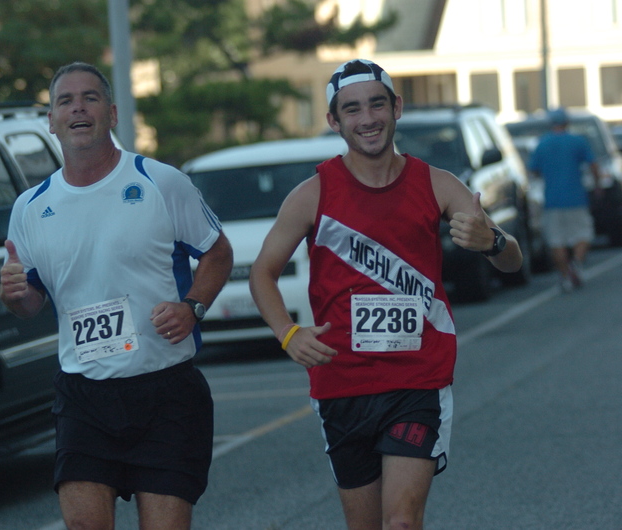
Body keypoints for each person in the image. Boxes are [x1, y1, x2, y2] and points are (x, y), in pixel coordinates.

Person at [248, 59, 523, 530]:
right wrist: (287, 333)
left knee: (400, 522)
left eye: (377, 104)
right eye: (352, 110)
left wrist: (493, 242)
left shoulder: (437, 183)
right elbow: (262, 273)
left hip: (418, 379)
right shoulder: (312, 194)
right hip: (342, 383)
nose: (367, 118)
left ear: (397, 108)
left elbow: (512, 259)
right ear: (334, 121)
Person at [0, 61, 233, 530]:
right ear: (51, 121)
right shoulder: (31, 207)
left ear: (112, 112)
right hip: (83, 396)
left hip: (164, 389)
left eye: (89, 98)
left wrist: (193, 308)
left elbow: (218, 252)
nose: (77, 108)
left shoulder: (159, 182)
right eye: (65, 101)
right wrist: (14, 295)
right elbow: (31, 303)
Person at [527, 107, 604, 292]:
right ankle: (576, 264)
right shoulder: (577, 141)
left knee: (556, 241)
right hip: (576, 198)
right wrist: (597, 185)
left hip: (552, 200)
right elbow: (593, 165)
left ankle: (565, 276)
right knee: (583, 234)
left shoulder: (542, 144)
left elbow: (534, 170)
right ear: (567, 122)